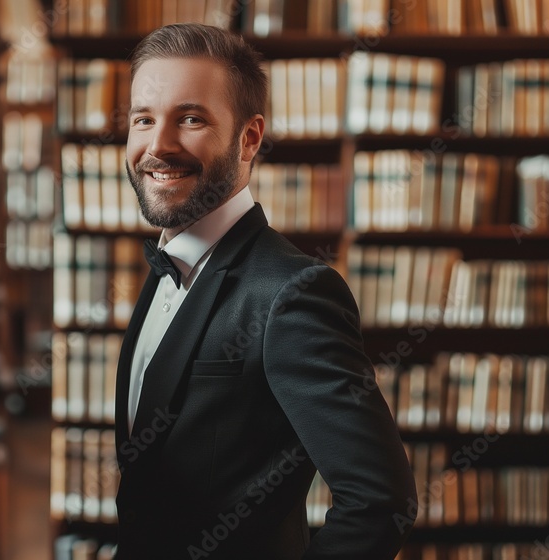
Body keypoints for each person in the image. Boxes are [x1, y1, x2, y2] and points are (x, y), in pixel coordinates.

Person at [114, 23, 417, 560]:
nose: (157, 145)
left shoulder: (295, 292)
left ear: (249, 138)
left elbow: (379, 501)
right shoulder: (169, 260)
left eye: (190, 119)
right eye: (143, 119)